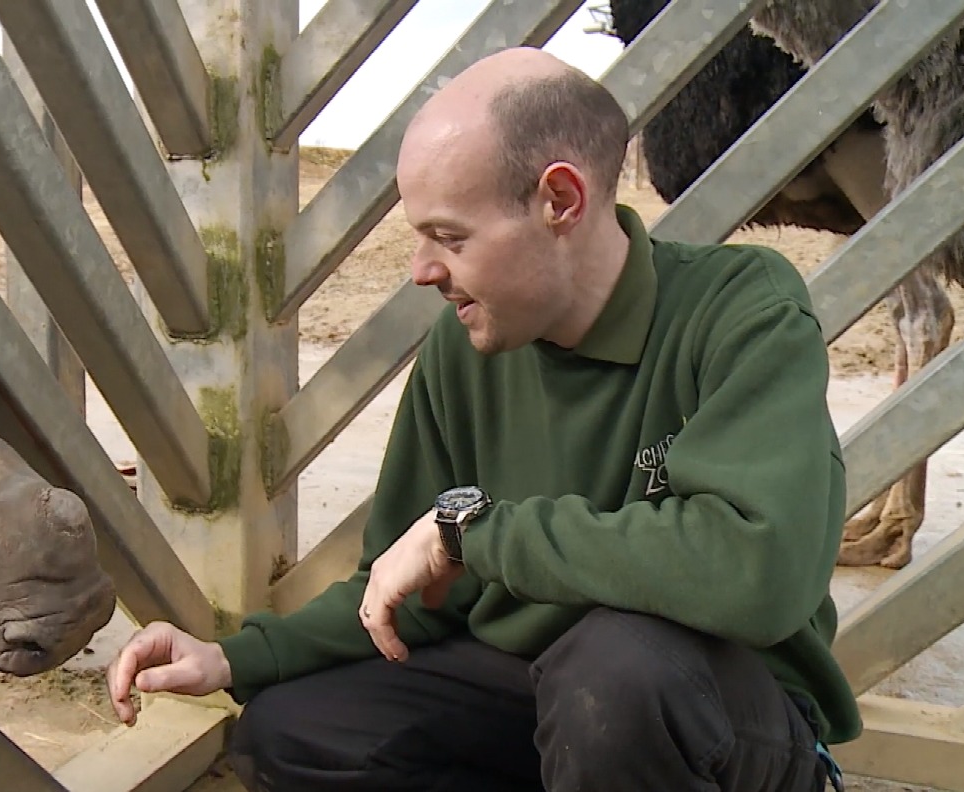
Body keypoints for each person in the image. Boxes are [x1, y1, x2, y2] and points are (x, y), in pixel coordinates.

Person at [106, 46, 861, 791]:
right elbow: (410, 591)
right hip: (541, 695)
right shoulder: (466, 343)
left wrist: (478, 535)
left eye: (450, 236)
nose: (422, 270)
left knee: (616, 676)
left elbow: (757, 570)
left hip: (715, 712)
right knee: (293, 731)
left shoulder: (742, 309)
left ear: (560, 201)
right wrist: (236, 658)